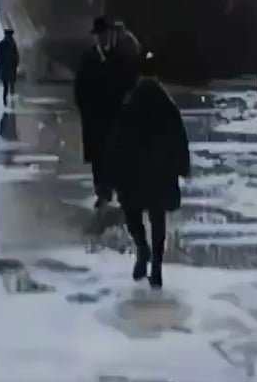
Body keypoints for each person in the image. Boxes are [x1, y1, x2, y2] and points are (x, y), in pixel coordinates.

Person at [104, 51, 189, 290]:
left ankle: (143, 249)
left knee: (133, 215)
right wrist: (181, 166)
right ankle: (157, 266)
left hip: (136, 171)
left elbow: (117, 138)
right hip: (160, 171)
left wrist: (112, 173)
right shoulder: (165, 103)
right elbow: (179, 137)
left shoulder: (131, 102)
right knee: (157, 218)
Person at [74, 16, 131, 209]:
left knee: (118, 155)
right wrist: (86, 111)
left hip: (116, 117)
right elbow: (80, 89)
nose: (103, 38)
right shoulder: (88, 59)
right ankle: (102, 193)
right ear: (96, 37)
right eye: (100, 35)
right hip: (95, 119)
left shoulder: (120, 57)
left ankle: (119, 191)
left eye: (106, 34)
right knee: (99, 158)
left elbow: (130, 83)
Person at [0, 29, 20, 106]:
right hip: (11, 68)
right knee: (11, 86)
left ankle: (6, 102)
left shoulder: (1, 44)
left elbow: (0, 57)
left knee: (6, 87)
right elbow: (16, 56)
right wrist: (16, 64)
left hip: (4, 68)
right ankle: (11, 103)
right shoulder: (13, 44)